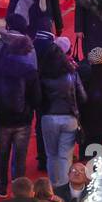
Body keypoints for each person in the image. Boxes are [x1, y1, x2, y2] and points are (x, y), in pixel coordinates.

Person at [0, 14, 41, 196]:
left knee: (2, 154)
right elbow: (36, 97)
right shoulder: (30, 69)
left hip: (3, 117)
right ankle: (19, 189)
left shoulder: (2, 68)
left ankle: (2, 185)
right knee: (19, 156)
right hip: (23, 119)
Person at [36, 33, 86, 186]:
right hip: (69, 117)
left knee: (51, 155)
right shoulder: (72, 74)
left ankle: (53, 187)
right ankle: (63, 188)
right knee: (65, 156)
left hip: (48, 117)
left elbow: (37, 98)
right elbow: (83, 96)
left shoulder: (41, 75)